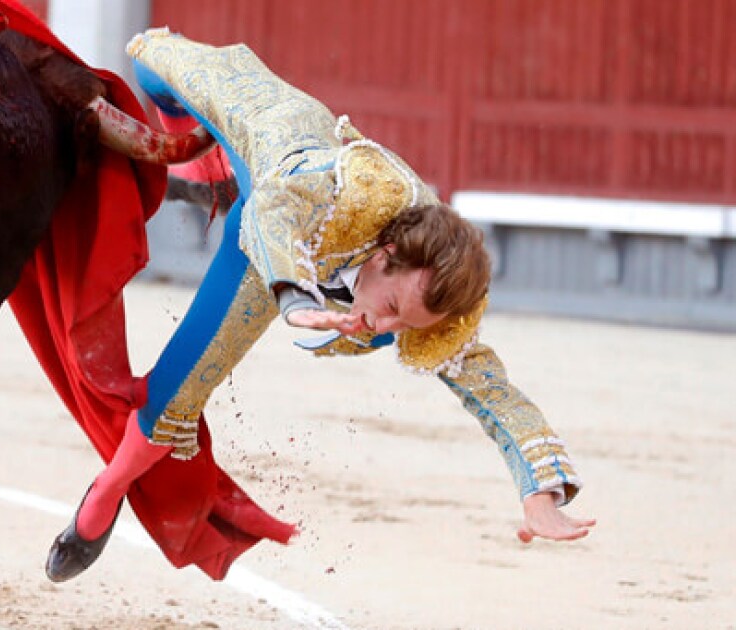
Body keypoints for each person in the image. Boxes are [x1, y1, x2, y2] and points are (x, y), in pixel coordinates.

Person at [42, 27, 596, 582]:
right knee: (151, 62)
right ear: (384, 255)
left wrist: (539, 490)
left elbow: (493, 391)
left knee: (182, 398)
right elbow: (273, 210)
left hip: (313, 263)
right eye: (394, 305)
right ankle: (105, 492)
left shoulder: (436, 290)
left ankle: (208, 173)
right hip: (276, 225)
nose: (387, 326)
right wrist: (292, 297)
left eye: (408, 326)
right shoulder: (332, 193)